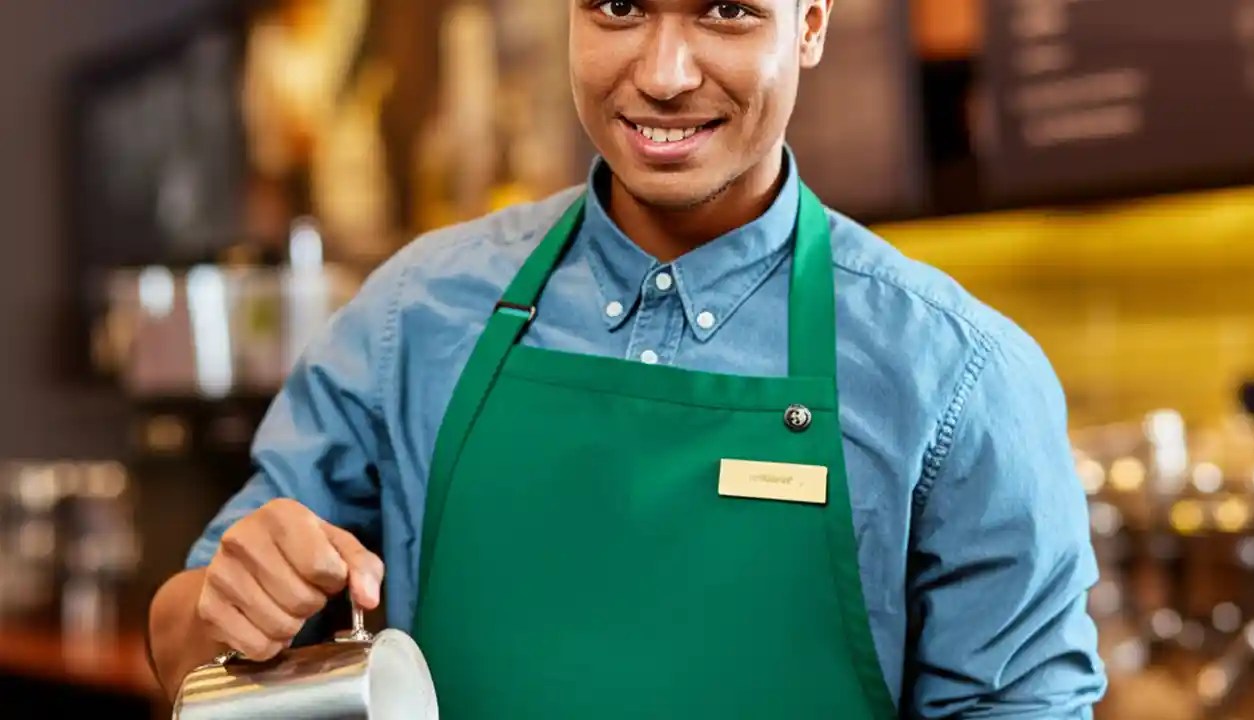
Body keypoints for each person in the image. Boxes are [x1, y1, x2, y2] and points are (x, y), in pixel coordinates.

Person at [148, 1, 1108, 717]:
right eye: (618, 7)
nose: (662, 72)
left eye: (727, 10)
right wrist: (238, 598)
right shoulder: (411, 317)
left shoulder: (958, 377)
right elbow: (179, 647)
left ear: (811, 21)